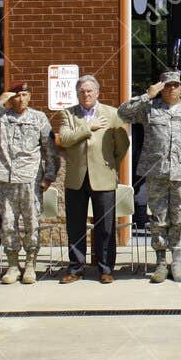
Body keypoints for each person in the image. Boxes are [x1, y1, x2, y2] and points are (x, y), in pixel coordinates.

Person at [118, 71, 181, 284]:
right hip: (156, 174)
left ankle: (176, 262)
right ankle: (160, 263)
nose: (172, 89)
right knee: (158, 219)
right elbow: (123, 114)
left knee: (178, 219)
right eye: (167, 85)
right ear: (162, 87)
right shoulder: (150, 107)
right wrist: (147, 95)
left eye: (175, 85)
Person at [0, 82, 58, 284]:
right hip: (7, 179)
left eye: (24, 95)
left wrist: (49, 176)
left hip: (31, 179)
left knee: (32, 222)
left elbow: (50, 149)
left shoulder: (39, 118)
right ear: (10, 98)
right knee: (8, 222)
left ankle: (30, 264)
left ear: (30, 97)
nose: (20, 99)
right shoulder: (2, 118)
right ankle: (13, 265)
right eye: (16, 96)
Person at [55, 75, 127, 284]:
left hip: (103, 176)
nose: (86, 95)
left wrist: (110, 164)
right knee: (75, 226)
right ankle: (76, 269)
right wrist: (89, 127)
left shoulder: (112, 114)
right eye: (82, 92)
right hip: (76, 177)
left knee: (105, 226)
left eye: (89, 91)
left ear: (97, 92)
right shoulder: (68, 114)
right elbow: (66, 139)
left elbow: (121, 145)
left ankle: (105, 269)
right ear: (77, 94)